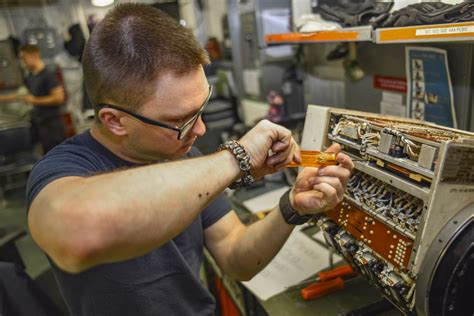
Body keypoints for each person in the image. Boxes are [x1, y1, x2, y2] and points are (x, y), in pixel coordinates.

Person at [26, 4, 353, 316]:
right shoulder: (63, 169)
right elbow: (77, 232)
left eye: (201, 108)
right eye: (181, 120)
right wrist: (236, 158)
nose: (200, 128)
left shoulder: (182, 155)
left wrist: (292, 206)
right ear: (115, 121)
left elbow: (237, 257)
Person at [0, 45, 66, 153]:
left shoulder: (48, 75)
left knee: (58, 153)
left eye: (23, 58)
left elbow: (59, 98)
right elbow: (22, 96)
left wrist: (34, 100)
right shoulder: (30, 76)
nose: (22, 62)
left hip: (52, 124)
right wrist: (3, 98)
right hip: (39, 123)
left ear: (33, 56)